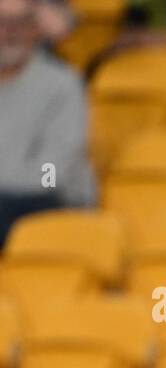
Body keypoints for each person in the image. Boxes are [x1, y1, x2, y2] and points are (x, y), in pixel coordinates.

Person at [0, 0, 95, 245]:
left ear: (35, 29)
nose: (9, 32)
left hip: (52, 203)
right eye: (2, 22)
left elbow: (50, 176)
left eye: (20, 23)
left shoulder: (62, 85)